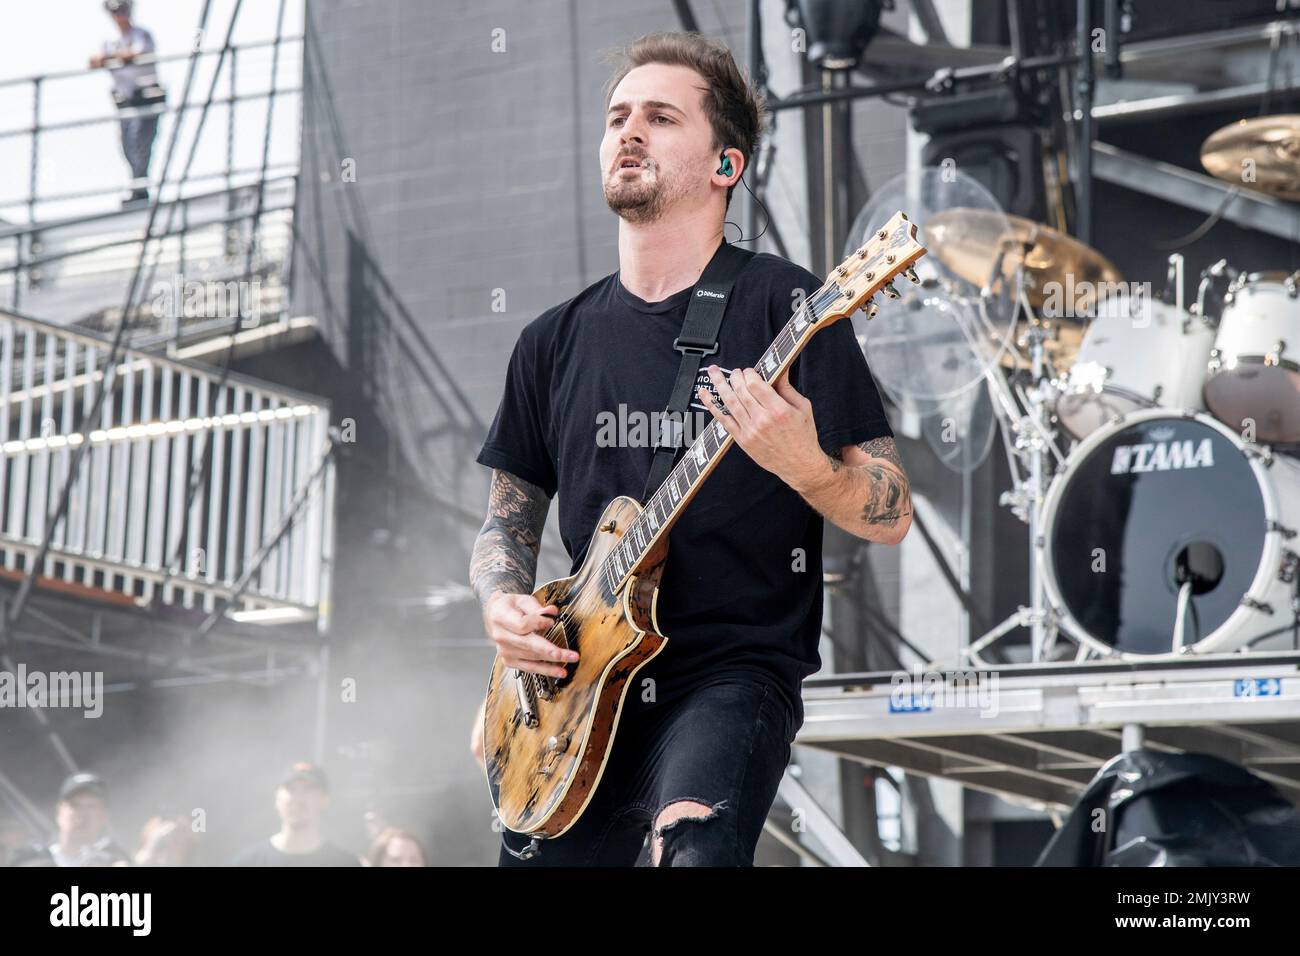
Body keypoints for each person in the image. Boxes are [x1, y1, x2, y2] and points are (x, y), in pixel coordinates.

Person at [470, 31, 911, 867]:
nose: (629, 132)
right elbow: (507, 527)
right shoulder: (551, 341)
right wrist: (501, 606)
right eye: (618, 117)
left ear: (726, 166)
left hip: (728, 670)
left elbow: (889, 506)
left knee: (696, 850)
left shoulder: (788, 303)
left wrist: (804, 465)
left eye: (662, 117)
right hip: (572, 682)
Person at [89, 0, 165, 207]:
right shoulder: (110, 40)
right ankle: (137, 185)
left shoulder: (141, 34)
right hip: (125, 100)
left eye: (123, 10)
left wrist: (112, 58)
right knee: (127, 144)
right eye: (115, 11)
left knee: (141, 141)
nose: (120, 15)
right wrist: (115, 58)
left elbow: (138, 53)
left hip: (146, 96)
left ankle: (140, 188)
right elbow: (94, 62)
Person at [231, 762, 361, 867]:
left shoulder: (345, 863)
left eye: (308, 789)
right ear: (277, 799)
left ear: (324, 800)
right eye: (291, 789)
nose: (298, 799)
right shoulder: (247, 862)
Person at [22, 773, 133, 867]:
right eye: (75, 806)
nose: (82, 814)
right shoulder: (31, 859)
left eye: (91, 806)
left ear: (104, 816)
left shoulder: (116, 858)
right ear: (59, 813)